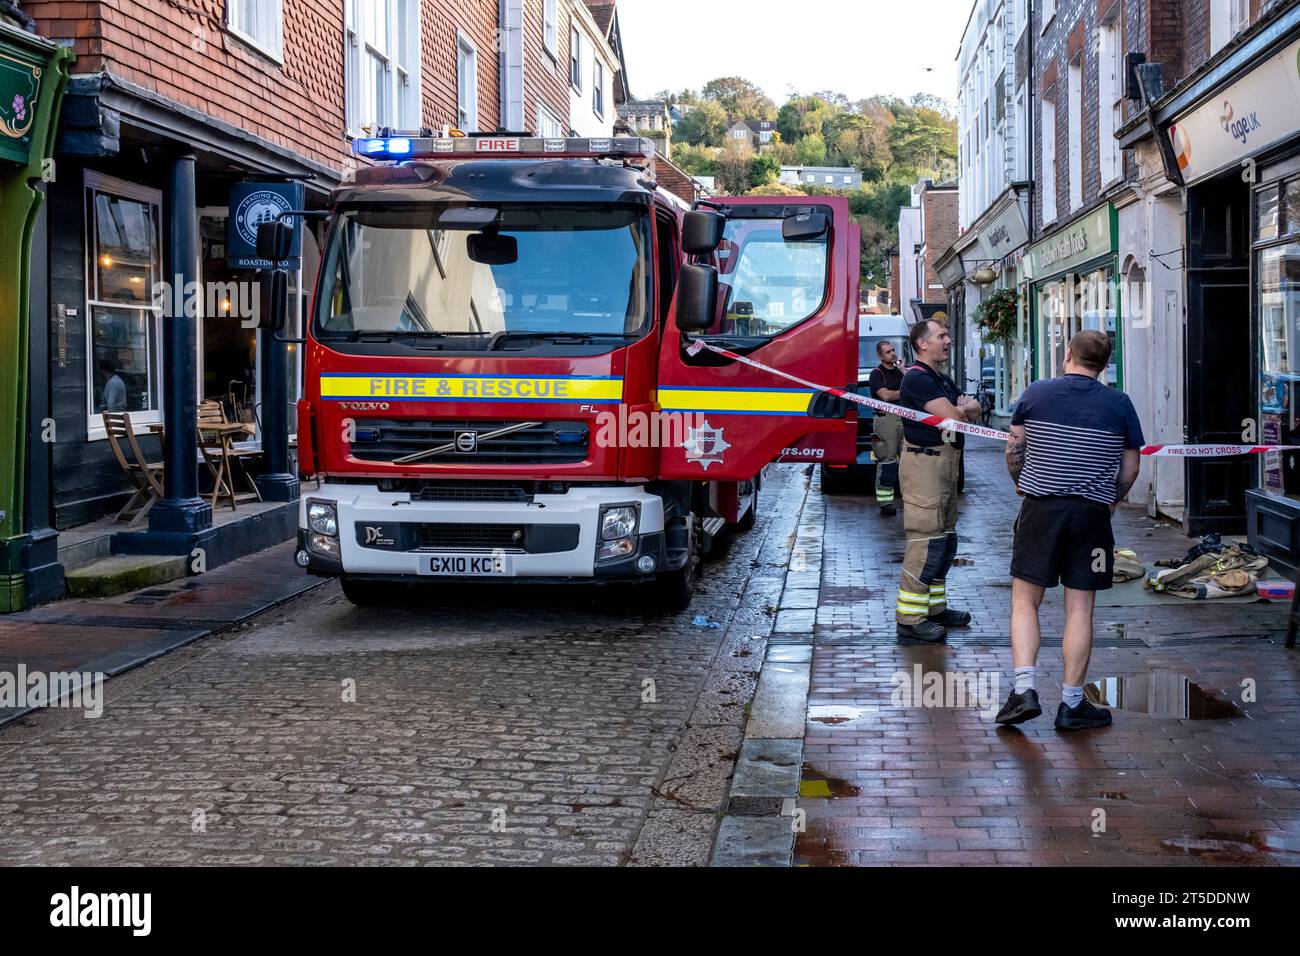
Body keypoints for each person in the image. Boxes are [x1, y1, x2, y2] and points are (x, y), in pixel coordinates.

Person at [995, 329, 1143, 731]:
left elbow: (1015, 448)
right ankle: (1072, 704)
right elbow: (1130, 467)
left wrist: (1020, 480)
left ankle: (1024, 689)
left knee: (1025, 601)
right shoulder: (1120, 404)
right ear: (1104, 365)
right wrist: (1111, 501)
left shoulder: (1036, 393)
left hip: (1041, 511)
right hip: (1091, 516)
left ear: (1067, 356)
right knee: (1080, 608)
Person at [894, 319, 983, 642]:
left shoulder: (939, 378)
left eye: (948, 334)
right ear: (922, 344)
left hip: (946, 465)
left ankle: (934, 609)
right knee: (925, 540)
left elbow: (972, 408)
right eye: (941, 336)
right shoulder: (918, 379)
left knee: (944, 541)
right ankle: (909, 618)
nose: (948, 340)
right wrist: (966, 409)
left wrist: (968, 407)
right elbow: (956, 416)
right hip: (925, 465)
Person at [867, 339, 904, 517]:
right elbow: (886, 396)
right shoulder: (876, 374)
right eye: (888, 352)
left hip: (904, 418)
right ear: (880, 356)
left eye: (893, 350)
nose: (892, 354)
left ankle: (910, 499)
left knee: (908, 461)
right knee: (888, 461)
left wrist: (904, 373)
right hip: (886, 420)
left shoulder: (900, 373)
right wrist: (903, 391)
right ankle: (885, 503)